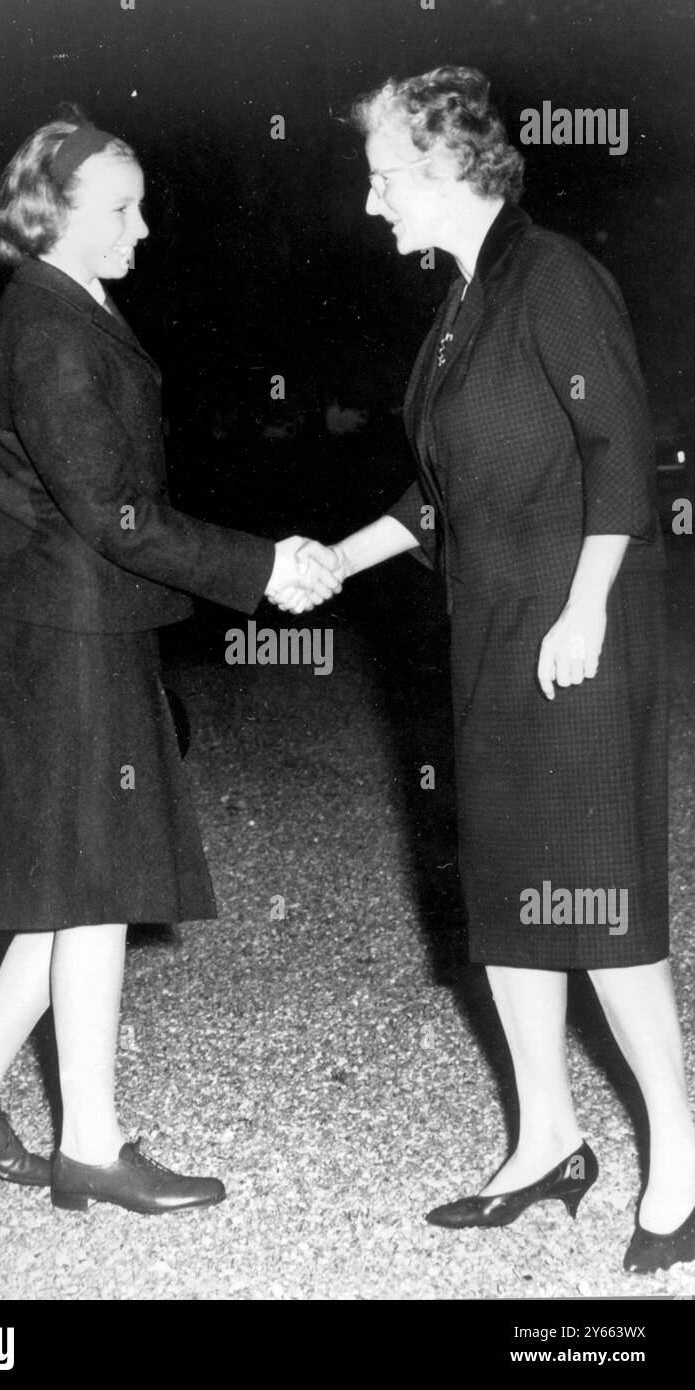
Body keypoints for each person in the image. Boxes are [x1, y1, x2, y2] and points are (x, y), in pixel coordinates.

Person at [0, 112, 340, 1217]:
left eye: (140, 205)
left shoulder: (68, 307)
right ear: (50, 212)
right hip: (68, 633)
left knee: (63, 882)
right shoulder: (47, 327)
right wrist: (259, 564)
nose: (142, 229)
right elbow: (116, 513)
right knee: (91, 886)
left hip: (70, 626)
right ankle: (88, 1143)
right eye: (119, 210)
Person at [291, 66, 695, 1273]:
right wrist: (333, 558)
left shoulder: (553, 277)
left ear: (448, 167)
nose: (371, 207)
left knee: (598, 902)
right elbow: (441, 492)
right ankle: (545, 1142)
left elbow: (621, 453)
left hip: (576, 640)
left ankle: (678, 1160)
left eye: (382, 180)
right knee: (510, 900)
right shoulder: (466, 303)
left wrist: (582, 609)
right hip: (495, 639)